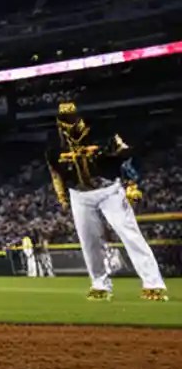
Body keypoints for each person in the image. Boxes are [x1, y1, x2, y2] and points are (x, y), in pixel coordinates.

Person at [45, 101, 168, 302]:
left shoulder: (100, 131)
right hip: (79, 194)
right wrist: (62, 196)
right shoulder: (54, 142)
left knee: (129, 234)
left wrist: (131, 183)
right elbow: (55, 171)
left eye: (71, 117)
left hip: (108, 189)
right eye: (64, 119)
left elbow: (126, 156)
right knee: (89, 242)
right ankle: (100, 285)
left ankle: (153, 283)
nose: (68, 122)